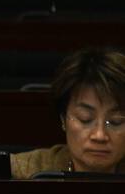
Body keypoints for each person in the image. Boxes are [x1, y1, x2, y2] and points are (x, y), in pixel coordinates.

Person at [10, 46, 125, 178]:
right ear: (63, 119)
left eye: (116, 121)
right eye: (85, 119)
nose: (99, 135)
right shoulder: (23, 170)